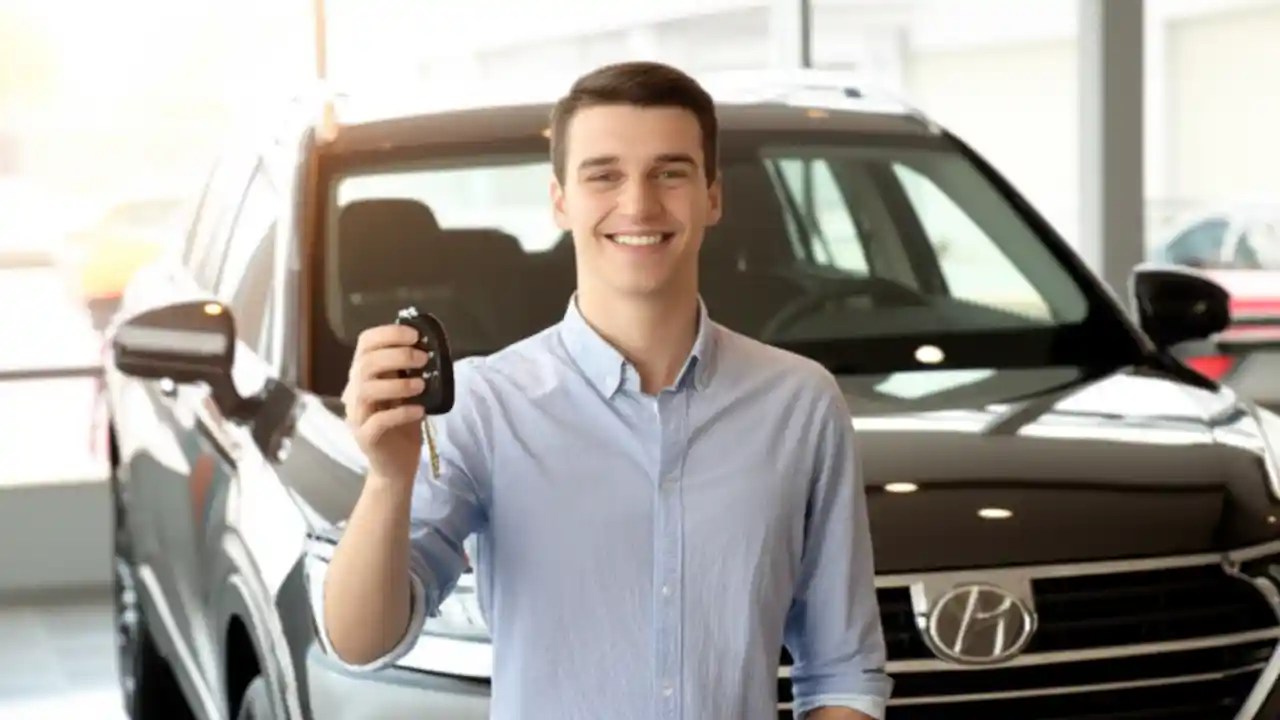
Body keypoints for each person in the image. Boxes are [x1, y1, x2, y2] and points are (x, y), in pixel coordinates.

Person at [320, 60, 893, 720]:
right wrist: (388, 481)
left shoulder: (801, 405)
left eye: (670, 173)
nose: (639, 205)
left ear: (712, 195)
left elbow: (843, 671)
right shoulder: (486, 407)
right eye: (604, 175)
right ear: (560, 199)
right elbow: (360, 644)